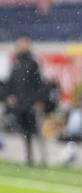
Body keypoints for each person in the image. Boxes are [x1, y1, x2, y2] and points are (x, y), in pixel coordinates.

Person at [6, 35, 45, 167]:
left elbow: (39, 83)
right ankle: (28, 157)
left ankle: (42, 158)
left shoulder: (33, 63)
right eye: (20, 43)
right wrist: (10, 95)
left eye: (24, 43)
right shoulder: (15, 62)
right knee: (23, 130)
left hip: (30, 102)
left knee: (35, 131)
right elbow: (11, 82)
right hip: (19, 103)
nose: (22, 45)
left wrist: (38, 100)